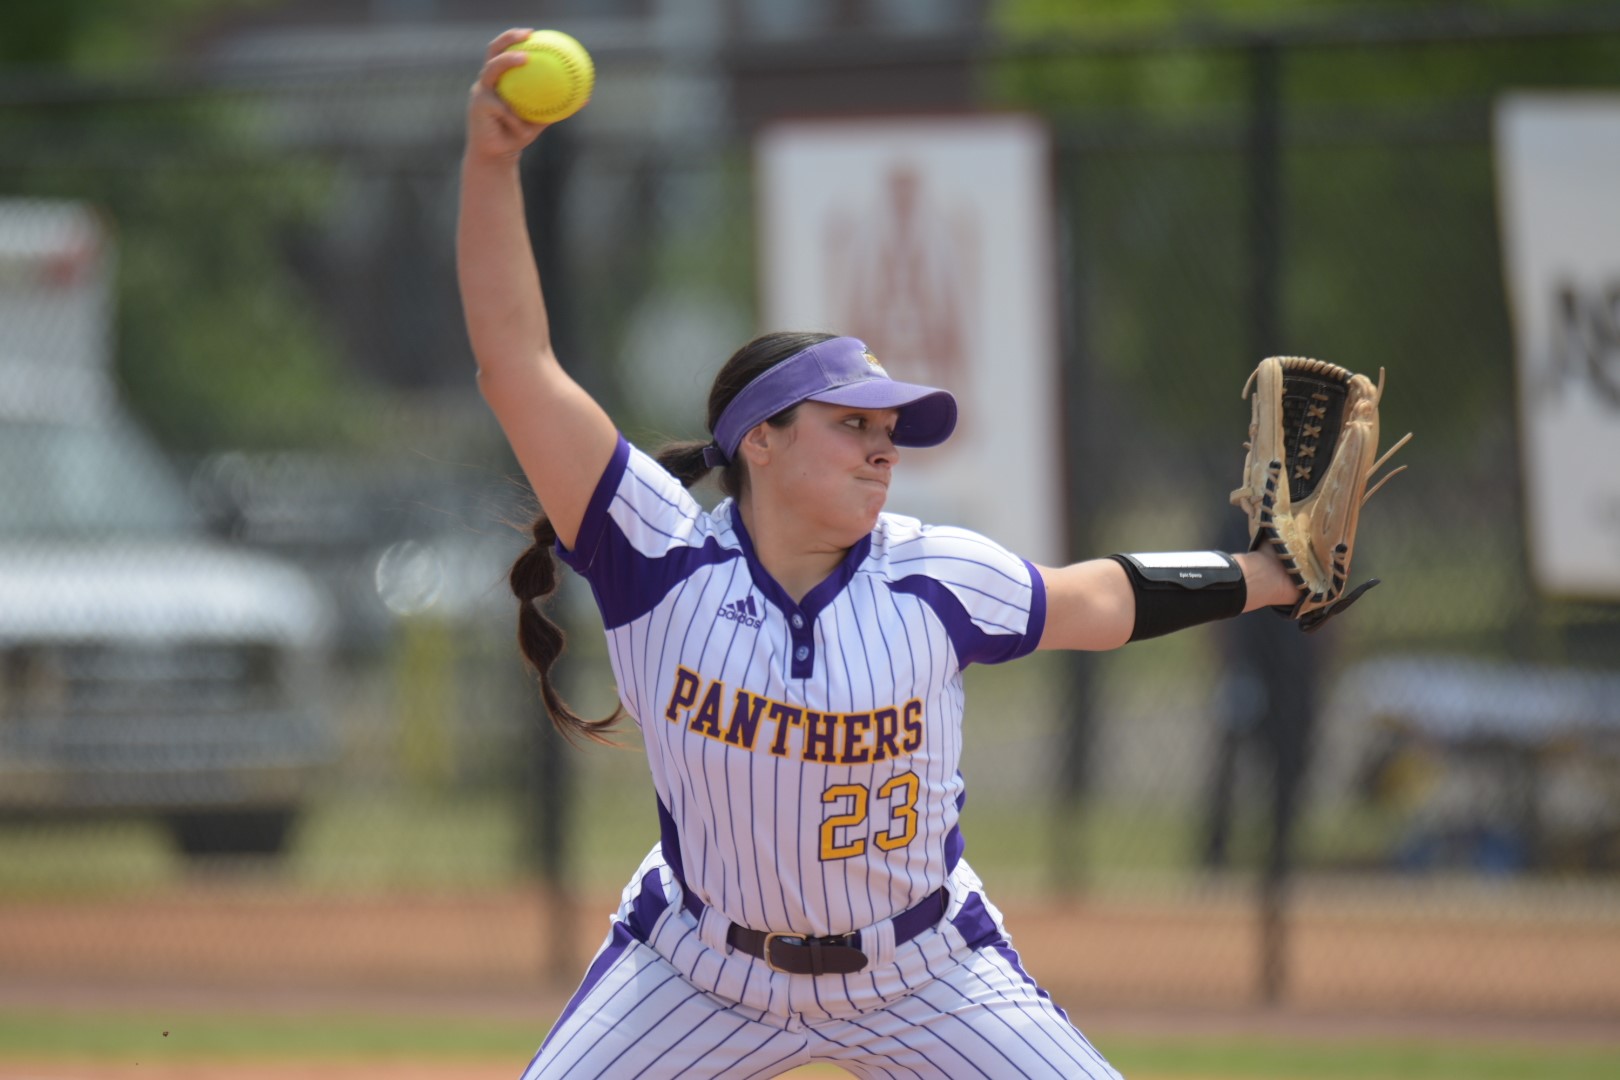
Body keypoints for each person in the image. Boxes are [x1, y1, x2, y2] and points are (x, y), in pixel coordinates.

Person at [460, 28, 1301, 1080]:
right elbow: (515, 363)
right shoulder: (656, 558)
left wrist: (1268, 578)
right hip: (695, 973)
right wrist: (493, 162)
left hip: (924, 973)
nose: (881, 444)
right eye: (850, 423)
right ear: (758, 442)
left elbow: (1096, 598)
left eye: (889, 428)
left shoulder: (932, 574)